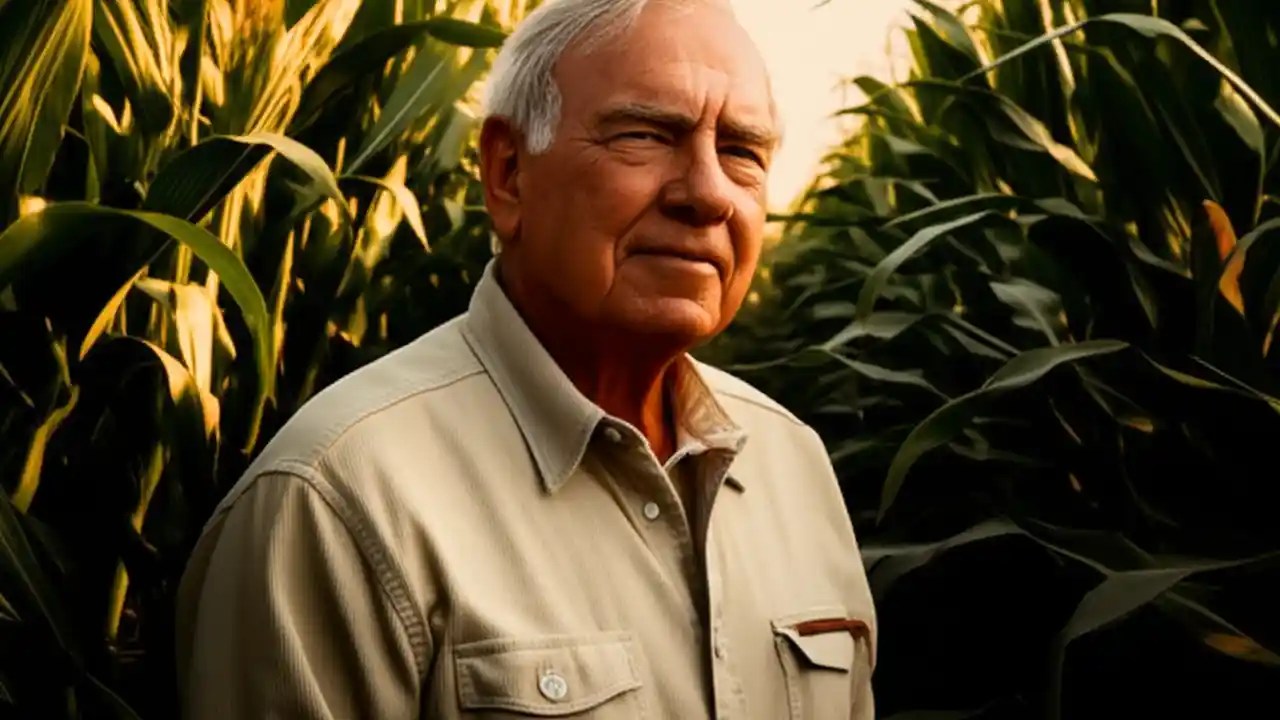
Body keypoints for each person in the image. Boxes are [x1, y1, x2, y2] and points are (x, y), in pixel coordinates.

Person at [174, 0, 877, 717]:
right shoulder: (336, 503)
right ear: (507, 173)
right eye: (644, 135)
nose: (706, 193)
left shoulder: (794, 465)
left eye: (741, 152)